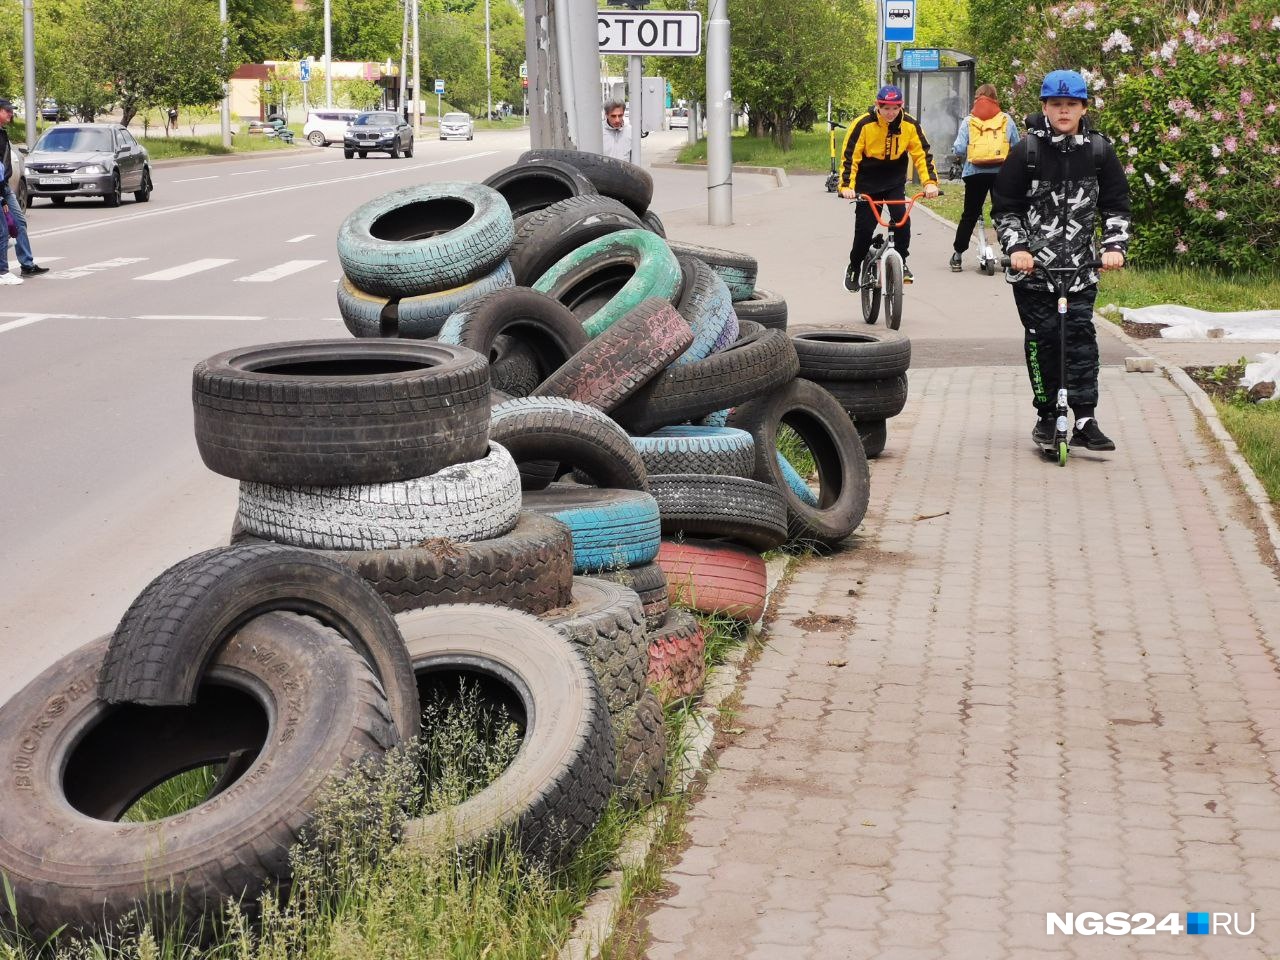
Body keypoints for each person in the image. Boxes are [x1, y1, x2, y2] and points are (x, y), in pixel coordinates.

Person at [992, 69, 1131, 452]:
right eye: (1057, 104)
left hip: (1080, 271)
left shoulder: (1099, 151)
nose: (1064, 111)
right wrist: (1017, 249)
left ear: (1084, 107)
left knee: (1081, 339)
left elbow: (1116, 206)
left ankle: (1085, 418)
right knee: (1046, 341)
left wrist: (1114, 247)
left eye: (1072, 104)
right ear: (1045, 107)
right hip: (1035, 273)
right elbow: (1005, 209)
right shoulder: (1027, 152)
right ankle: (1048, 416)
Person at [838, 84, 940, 289]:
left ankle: (901, 260)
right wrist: (847, 186)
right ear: (878, 105)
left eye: (895, 108)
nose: (891, 113)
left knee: (902, 219)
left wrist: (930, 183)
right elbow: (850, 157)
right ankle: (854, 265)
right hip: (868, 180)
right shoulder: (863, 124)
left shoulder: (909, 125)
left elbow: (922, 154)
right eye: (886, 108)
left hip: (894, 179)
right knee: (864, 229)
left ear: (901, 106)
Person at [949, 83, 1019, 271]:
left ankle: (958, 256)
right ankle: (1008, 253)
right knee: (1003, 213)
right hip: (1001, 174)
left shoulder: (969, 121)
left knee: (969, 214)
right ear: (995, 99)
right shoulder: (1006, 119)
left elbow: (960, 148)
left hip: (975, 174)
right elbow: (1016, 146)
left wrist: (956, 154)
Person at [0, 99, 48, 285]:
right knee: (3, 230)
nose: (11, 114)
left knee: (19, 222)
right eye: (7, 110)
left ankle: (27, 264)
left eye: (11, 110)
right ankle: (3, 272)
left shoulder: (3, 132)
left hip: (4, 186)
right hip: (0, 188)